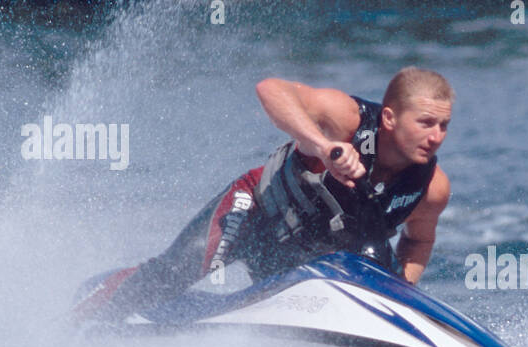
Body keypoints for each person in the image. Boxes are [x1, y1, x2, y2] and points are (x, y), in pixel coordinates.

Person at [74, 67, 453, 322]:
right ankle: (81, 320)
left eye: (443, 126)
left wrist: (401, 290)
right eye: (425, 123)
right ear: (389, 118)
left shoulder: (432, 188)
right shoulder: (346, 118)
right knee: (172, 274)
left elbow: (419, 240)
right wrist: (325, 147)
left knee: (377, 269)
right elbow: (270, 89)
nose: (435, 137)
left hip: (300, 259)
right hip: (255, 211)